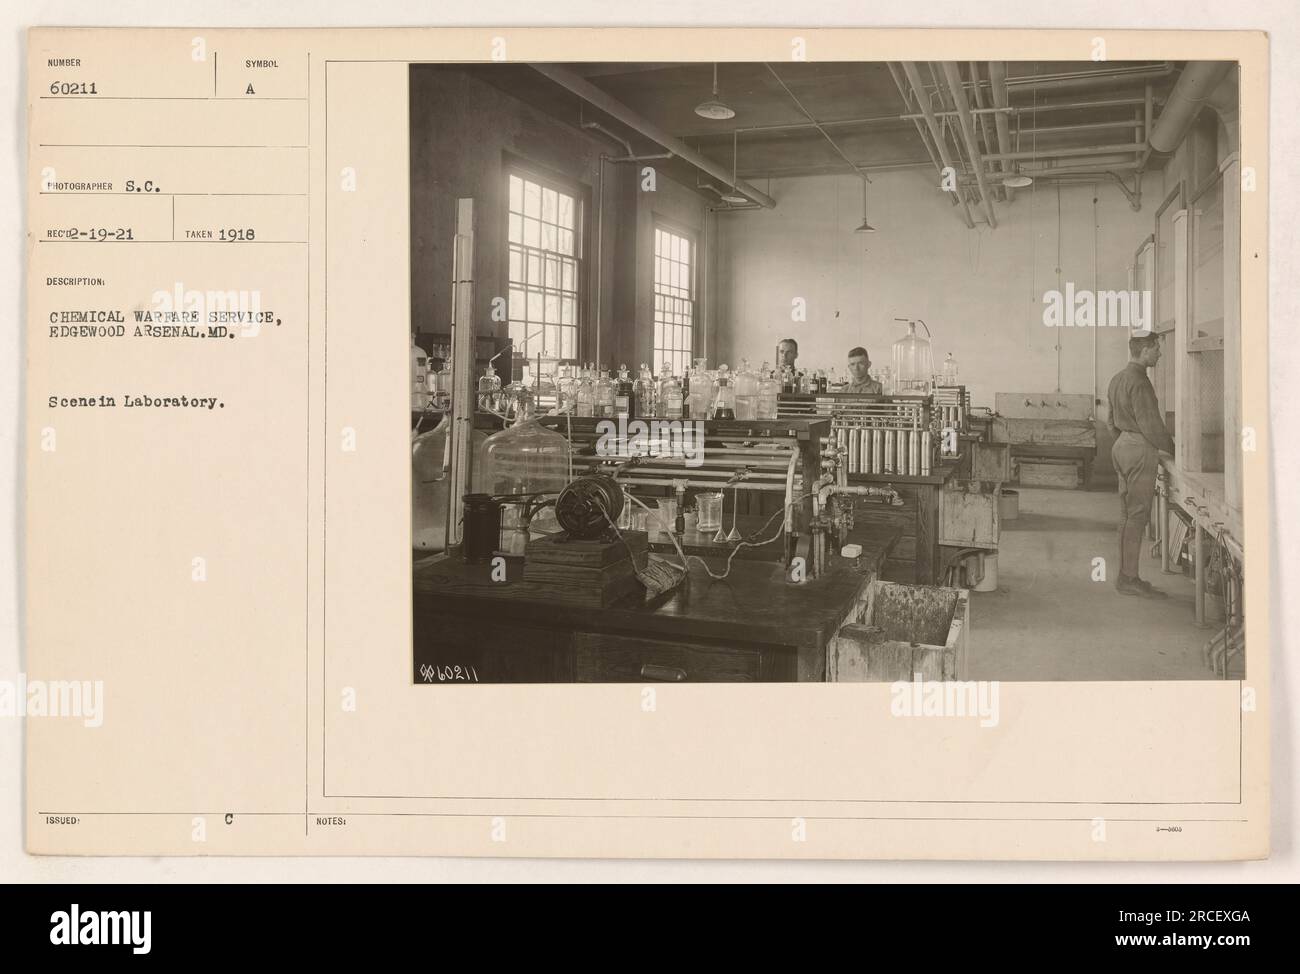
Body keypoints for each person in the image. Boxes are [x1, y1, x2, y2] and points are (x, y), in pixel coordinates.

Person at [1106, 332, 1175, 599]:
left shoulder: (1117, 378)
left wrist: (1125, 439)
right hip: (1139, 449)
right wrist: (1174, 450)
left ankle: (1125, 574)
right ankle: (1129, 578)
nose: (1159, 353)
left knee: (1126, 515)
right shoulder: (1140, 382)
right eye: (1156, 348)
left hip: (1121, 446)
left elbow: (1110, 420)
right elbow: (1151, 425)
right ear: (1145, 350)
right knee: (1138, 516)